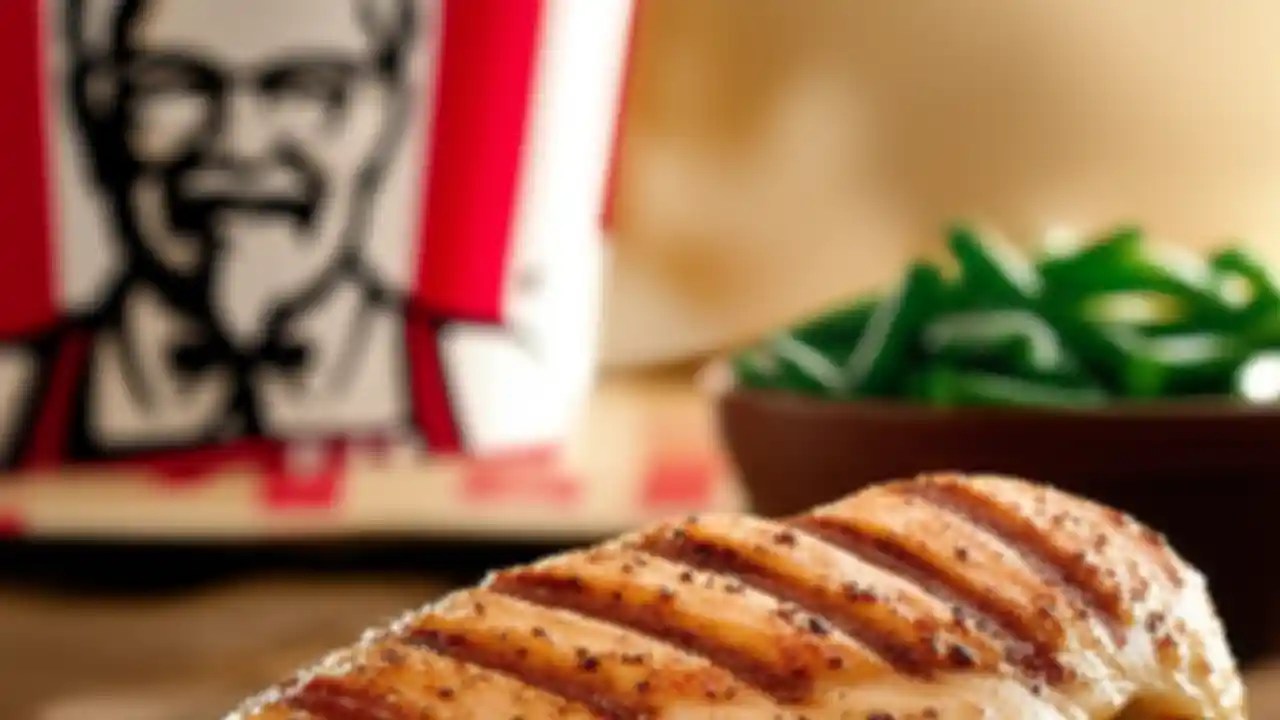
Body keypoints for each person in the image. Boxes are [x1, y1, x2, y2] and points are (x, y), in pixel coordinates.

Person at [0, 0, 573, 470]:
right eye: (175, 84)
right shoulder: (17, 389)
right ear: (97, 109)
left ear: (387, 111)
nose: (240, 145)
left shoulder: (497, 375)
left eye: (305, 89)